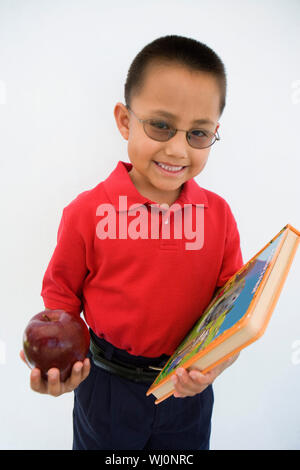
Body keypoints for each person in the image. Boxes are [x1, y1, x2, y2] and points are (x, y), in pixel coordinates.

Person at [20, 34, 244, 450]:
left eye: (198, 133)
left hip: (185, 393)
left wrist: (217, 365)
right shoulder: (87, 213)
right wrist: (59, 366)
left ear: (215, 132)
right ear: (125, 120)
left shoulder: (219, 216)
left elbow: (232, 313)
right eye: (160, 125)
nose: (178, 149)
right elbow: (61, 303)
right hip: (105, 388)